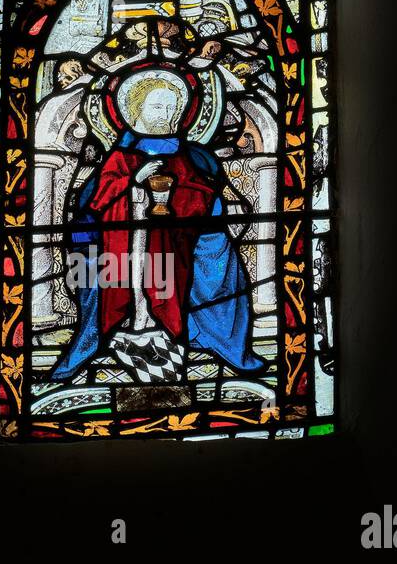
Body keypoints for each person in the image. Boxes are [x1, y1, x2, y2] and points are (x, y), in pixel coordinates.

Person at [51, 74, 268, 383]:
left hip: (179, 235)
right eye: (157, 107)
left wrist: (185, 198)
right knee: (91, 265)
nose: (165, 115)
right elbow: (99, 198)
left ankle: (212, 339)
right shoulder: (120, 155)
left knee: (219, 254)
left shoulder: (188, 154)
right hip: (123, 238)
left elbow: (203, 196)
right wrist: (135, 181)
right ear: (134, 111)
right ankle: (107, 337)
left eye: (171, 108)